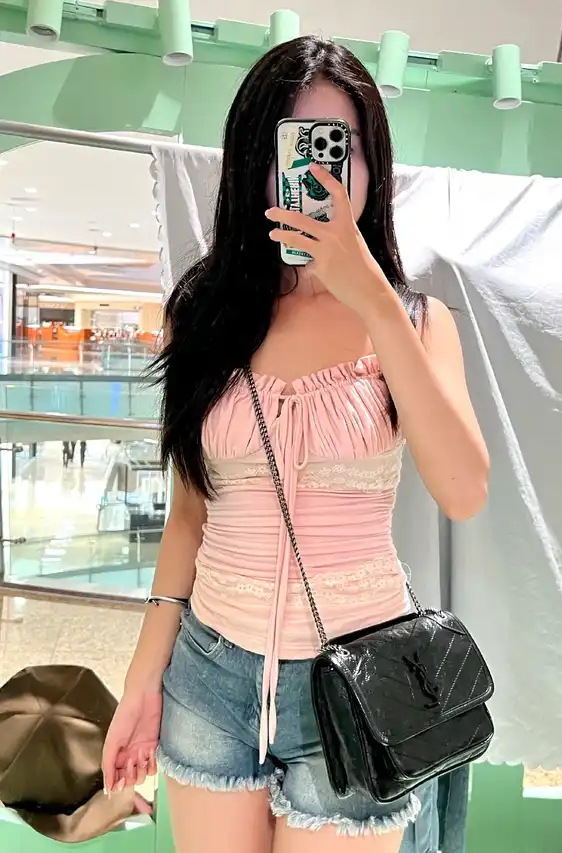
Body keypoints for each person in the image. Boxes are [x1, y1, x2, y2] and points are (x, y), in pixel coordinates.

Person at [102, 36, 489, 853]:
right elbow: (190, 515)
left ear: (371, 165)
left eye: (338, 148)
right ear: (256, 162)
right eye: (295, 146)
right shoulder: (204, 314)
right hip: (210, 676)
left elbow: (464, 490)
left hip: (356, 690)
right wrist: (143, 678)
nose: (318, 175)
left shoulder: (416, 322)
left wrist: (373, 300)